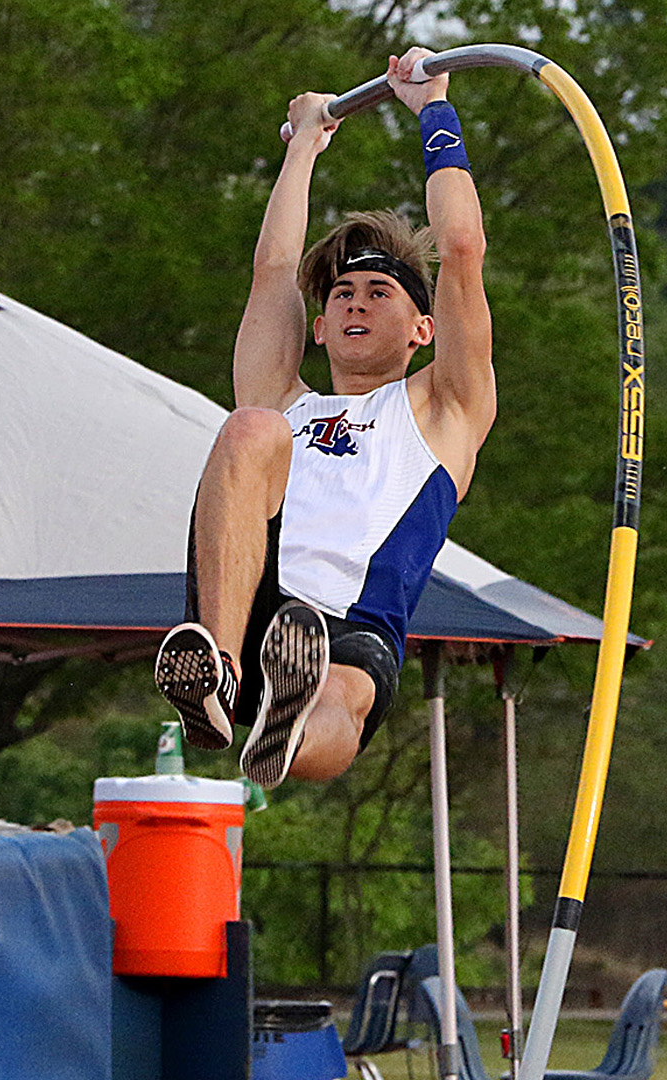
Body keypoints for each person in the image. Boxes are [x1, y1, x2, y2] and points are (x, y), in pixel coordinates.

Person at [153, 45, 494, 788]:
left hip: (352, 626)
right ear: (318, 326)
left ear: (424, 330)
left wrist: (434, 110)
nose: (356, 304)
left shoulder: (443, 410)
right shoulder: (288, 401)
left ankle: (286, 731)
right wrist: (304, 145)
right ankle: (218, 668)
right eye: (342, 295)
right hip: (257, 602)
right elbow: (273, 271)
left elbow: (462, 248)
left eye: (379, 293)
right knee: (250, 427)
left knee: (340, 695)